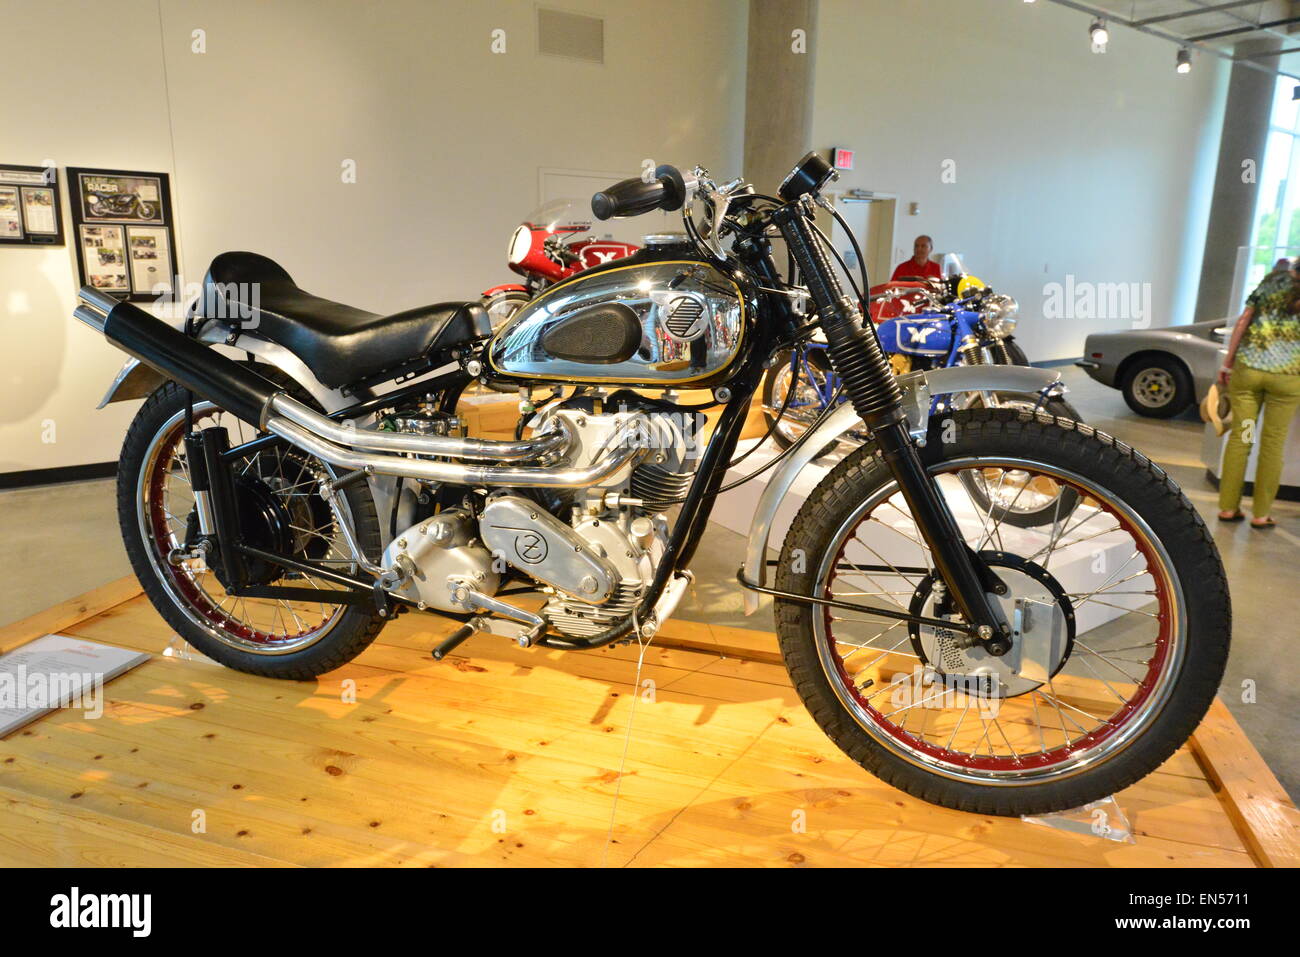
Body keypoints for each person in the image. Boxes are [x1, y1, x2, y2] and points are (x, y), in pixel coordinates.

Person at [1216, 261, 1300, 529]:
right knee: (1273, 445)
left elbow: (1243, 322)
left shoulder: (1272, 280)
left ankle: (1229, 508)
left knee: (1243, 437)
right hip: (1287, 380)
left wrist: (1227, 363)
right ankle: (1261, 515)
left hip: (1249, 374)